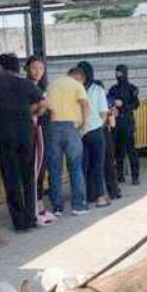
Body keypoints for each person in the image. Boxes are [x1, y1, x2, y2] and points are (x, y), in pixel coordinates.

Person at [0, 53, 45, 233]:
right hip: (27, 135)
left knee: (11, 178)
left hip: (6, 136)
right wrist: (33, 114)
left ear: (0, 68)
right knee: (28, 177)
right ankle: (31, 218)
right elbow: (43, 103)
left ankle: (19, 222)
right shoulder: (26, 84)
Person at [44, 67, 90, 216]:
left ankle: (57, 207)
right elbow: (84, 104)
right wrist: (84, 123)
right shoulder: (77, 85)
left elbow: (45, 105)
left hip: (53, 128)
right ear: (78, 76)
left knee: (54, 169)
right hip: (71, 127)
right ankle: (78, 206)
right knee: (75, 167)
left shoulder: (52, 84)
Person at [25, 55, 55, 226]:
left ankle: (40, 207)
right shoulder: (27, 87)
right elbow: (29, 108)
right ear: (27, 68)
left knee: (41, 169)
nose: (38, 71)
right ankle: (35, 209)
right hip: (36, 131)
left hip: (43, 130)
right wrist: (40, 109)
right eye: (34, 68)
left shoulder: (40, 87)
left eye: (41, 68)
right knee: (36, 170)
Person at [77, 61, 112, 208]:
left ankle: (83, 198)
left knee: (82, 166)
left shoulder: (75, 89)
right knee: (98, 165)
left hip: (79, 132)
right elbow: (104, 113)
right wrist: (98, 124)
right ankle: (99, 198)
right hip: (96, 132)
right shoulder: (97, 89)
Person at [108, 64, 141, 185]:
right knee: (118, 151)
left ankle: (135, 176)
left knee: (131, 151)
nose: (119, 75)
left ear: (125, 73)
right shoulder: (113, 89)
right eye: (117, 73)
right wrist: (114, 103)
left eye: (121, 73)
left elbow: (136, 104)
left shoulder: (132, 89)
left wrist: (124, 105)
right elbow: (108, 101)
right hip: (116, 122)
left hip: (127, 122)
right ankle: (120, 175)